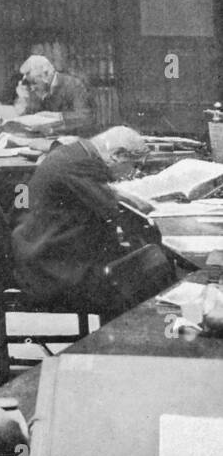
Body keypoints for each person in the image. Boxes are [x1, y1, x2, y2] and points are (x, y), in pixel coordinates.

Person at [11, 126, 153, 316]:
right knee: (147, 274)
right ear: (116, 155)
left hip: (39, 254)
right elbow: (113, 211)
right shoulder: (80, 165)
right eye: (134, 165)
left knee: (134, 268)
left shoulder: (74, 152)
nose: (134, 173)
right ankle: (120, 342)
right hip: (49, 271)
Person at [14, 54, 94, 134]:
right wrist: (24, 101)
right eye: (29, 83)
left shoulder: (73, 84)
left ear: (46, 74)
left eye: (34, 83)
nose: (32, 88)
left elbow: (85, 117)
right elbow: (30, 118)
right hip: (44, 140)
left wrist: (57, 116)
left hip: (69, 140)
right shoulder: (35, 90)